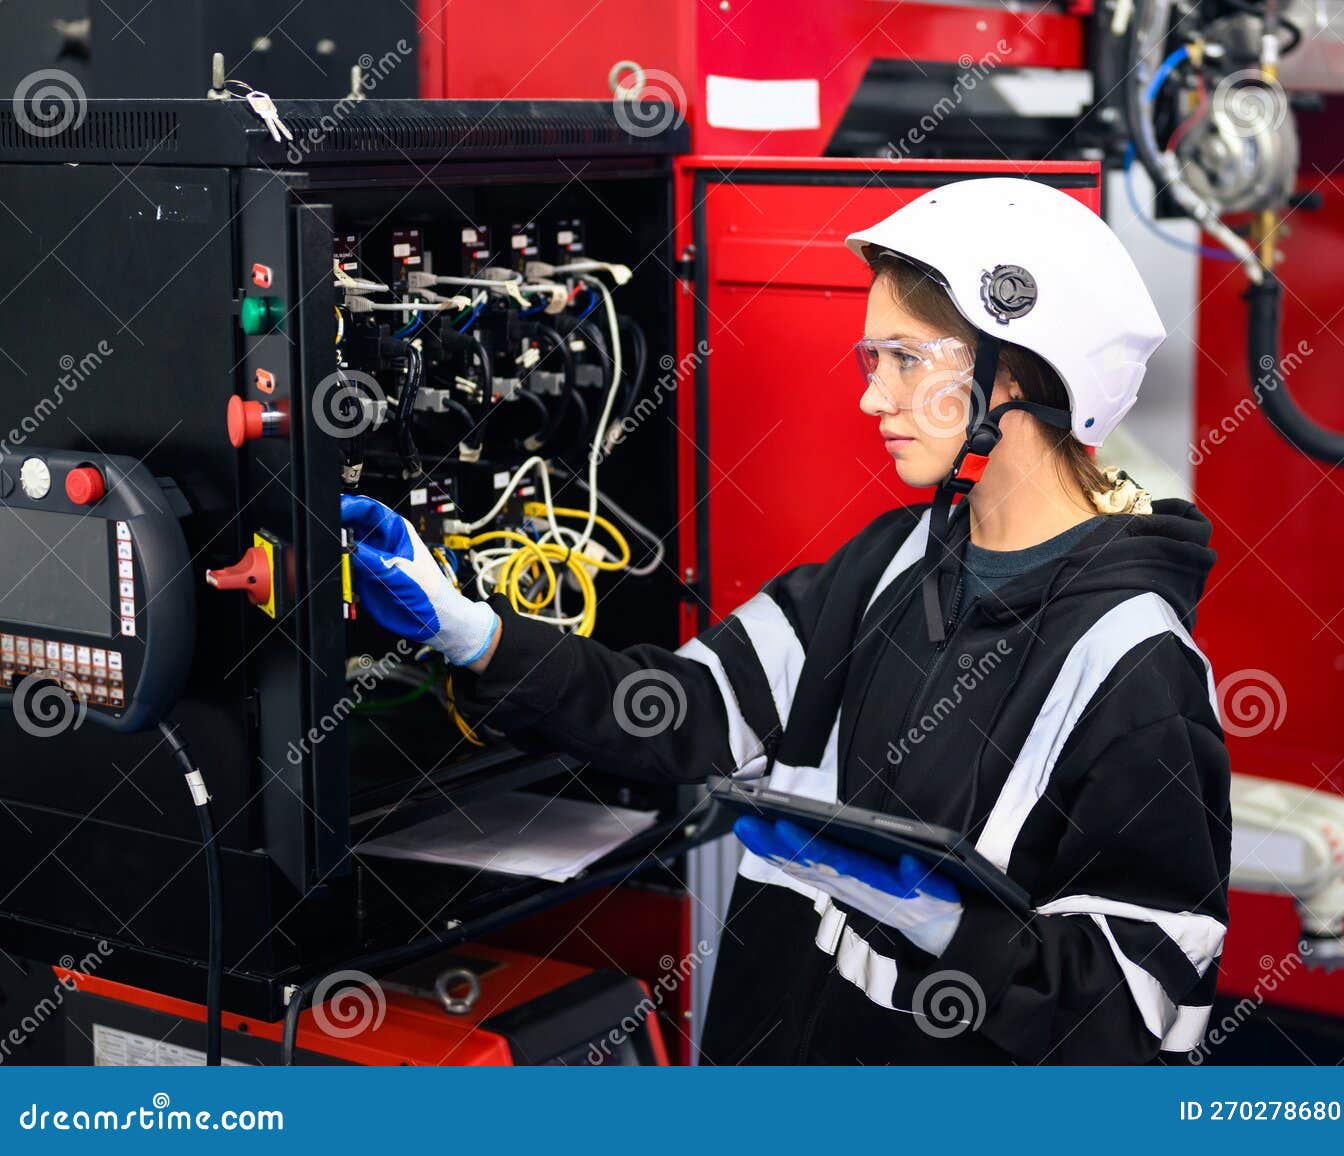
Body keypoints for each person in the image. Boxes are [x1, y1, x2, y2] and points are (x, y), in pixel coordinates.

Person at [341, 177, 1231, 1064]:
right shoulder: (894, 558)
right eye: (870, 362)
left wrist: (953, 930)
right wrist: (478, 634)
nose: (871, 400)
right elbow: (686, 708)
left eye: (906, 360)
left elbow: (1145, 1012)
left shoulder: (1136, 664)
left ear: (1023, 376)